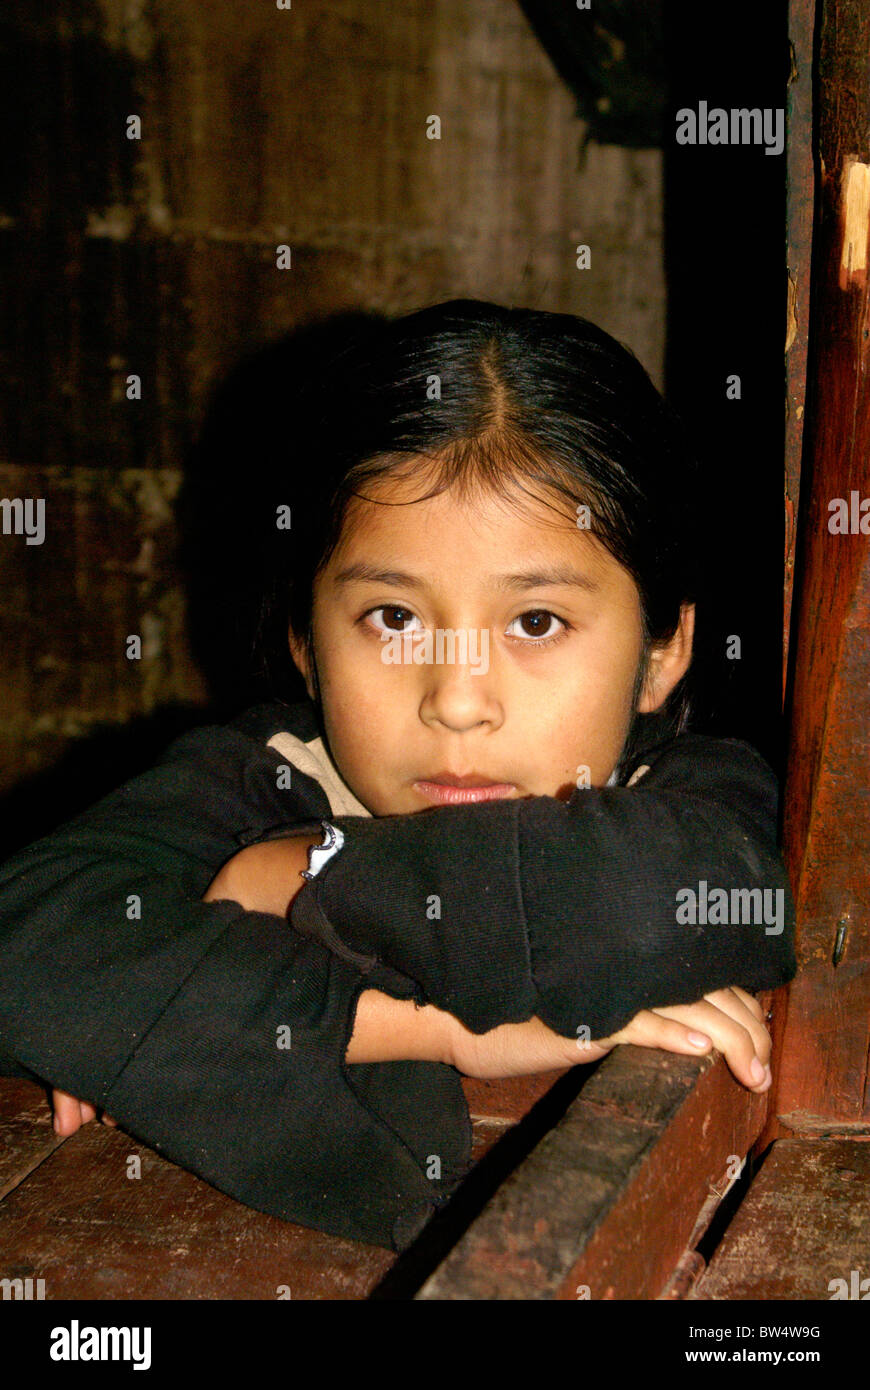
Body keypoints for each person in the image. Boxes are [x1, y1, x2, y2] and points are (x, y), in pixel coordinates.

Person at [0, 300, 796, 1252]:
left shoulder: (691, 796)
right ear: (306, 640)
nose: (457, 702)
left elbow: (648, 910)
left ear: (664, 650)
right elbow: (29, 945)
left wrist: (302, 882)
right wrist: (438, 1029)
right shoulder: (270, 776)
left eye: (535, 623)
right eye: (391, 617)